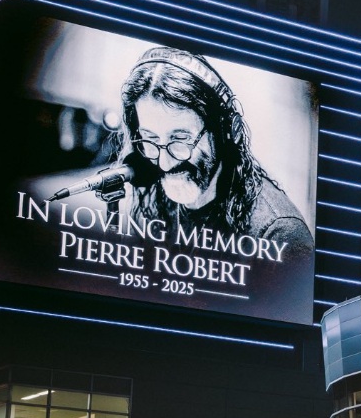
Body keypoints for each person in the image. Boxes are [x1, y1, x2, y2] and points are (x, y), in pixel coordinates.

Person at [108, 48, 314, 306]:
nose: (164, 162)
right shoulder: (154, 198)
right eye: (150, 139)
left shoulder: (280, 235)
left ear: (226, 133)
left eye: (180, 139)